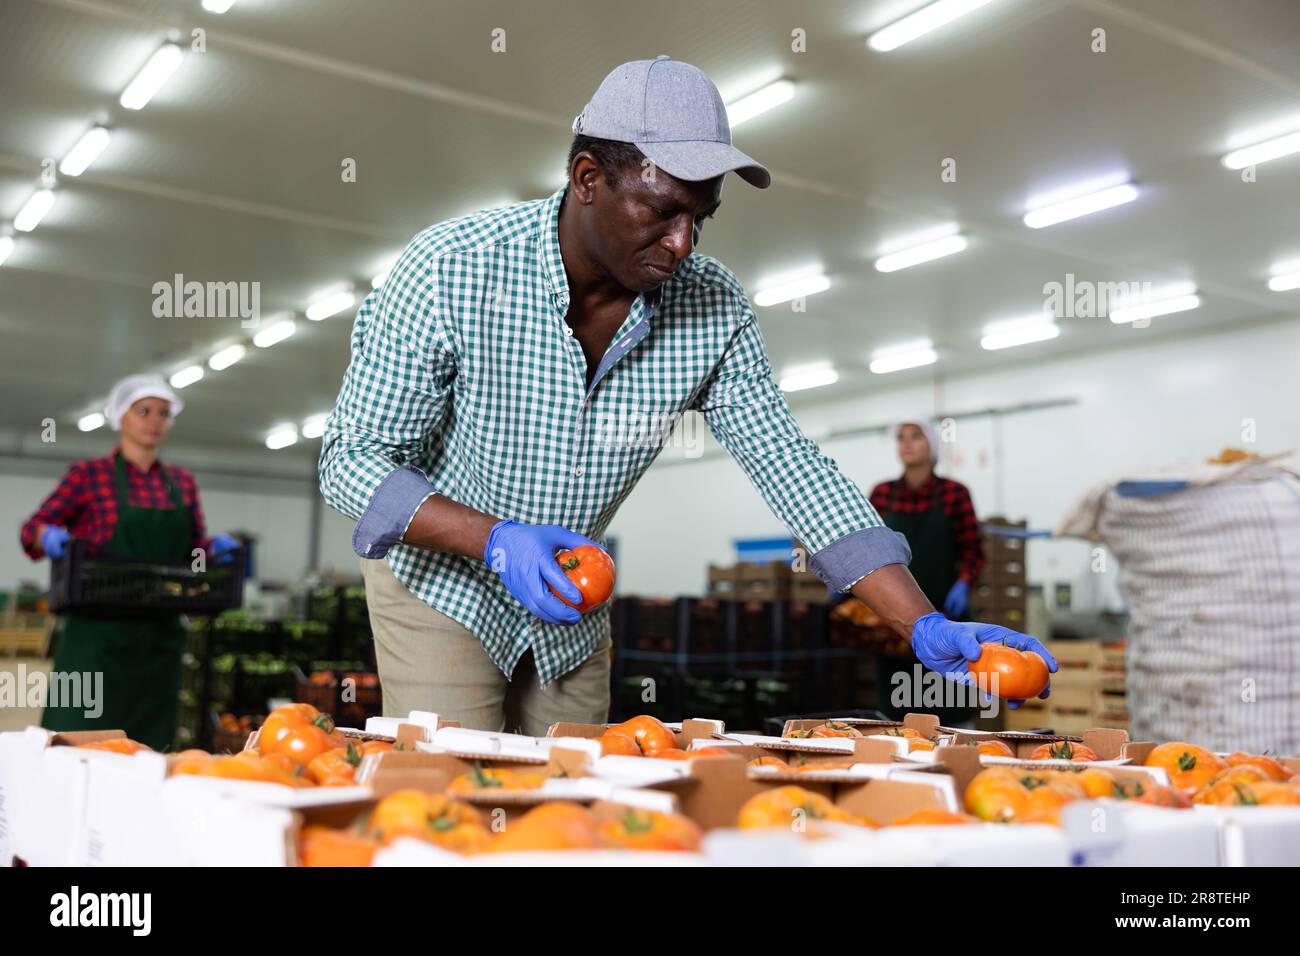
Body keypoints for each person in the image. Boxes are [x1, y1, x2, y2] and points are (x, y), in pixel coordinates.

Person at [319, 56, 1055, 736]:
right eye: (662, 211)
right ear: (586, 178)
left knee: (576, 793)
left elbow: (791, 466)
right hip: (442, 585)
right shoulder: (452, 270)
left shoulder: (712, 308)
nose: (682, 245)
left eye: (700, 219)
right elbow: (351, 460)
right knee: (455, 783)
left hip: (574, 600)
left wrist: (920, 623)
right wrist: (496, 541)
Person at [19, 375, 239, 749]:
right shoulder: (89, 476)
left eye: (164, 414)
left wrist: (211, 550)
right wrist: (47, 536)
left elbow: (191, 551)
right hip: (94, 636)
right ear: (120, 416)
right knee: (77, 742)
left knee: (147, 749)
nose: (155, 421)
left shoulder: (181, 483)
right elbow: (33, 528)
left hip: (159, 639)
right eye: (144, 411)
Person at [870, 420, 985, 620]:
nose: (906, 443)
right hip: (893, 612)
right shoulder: (882, 493)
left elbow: (973, 552)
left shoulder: (954, 493)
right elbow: (869, 549)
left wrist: (964, 585)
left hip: (943, 611)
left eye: (915, 436)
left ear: (932, 444)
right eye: (901, 438)